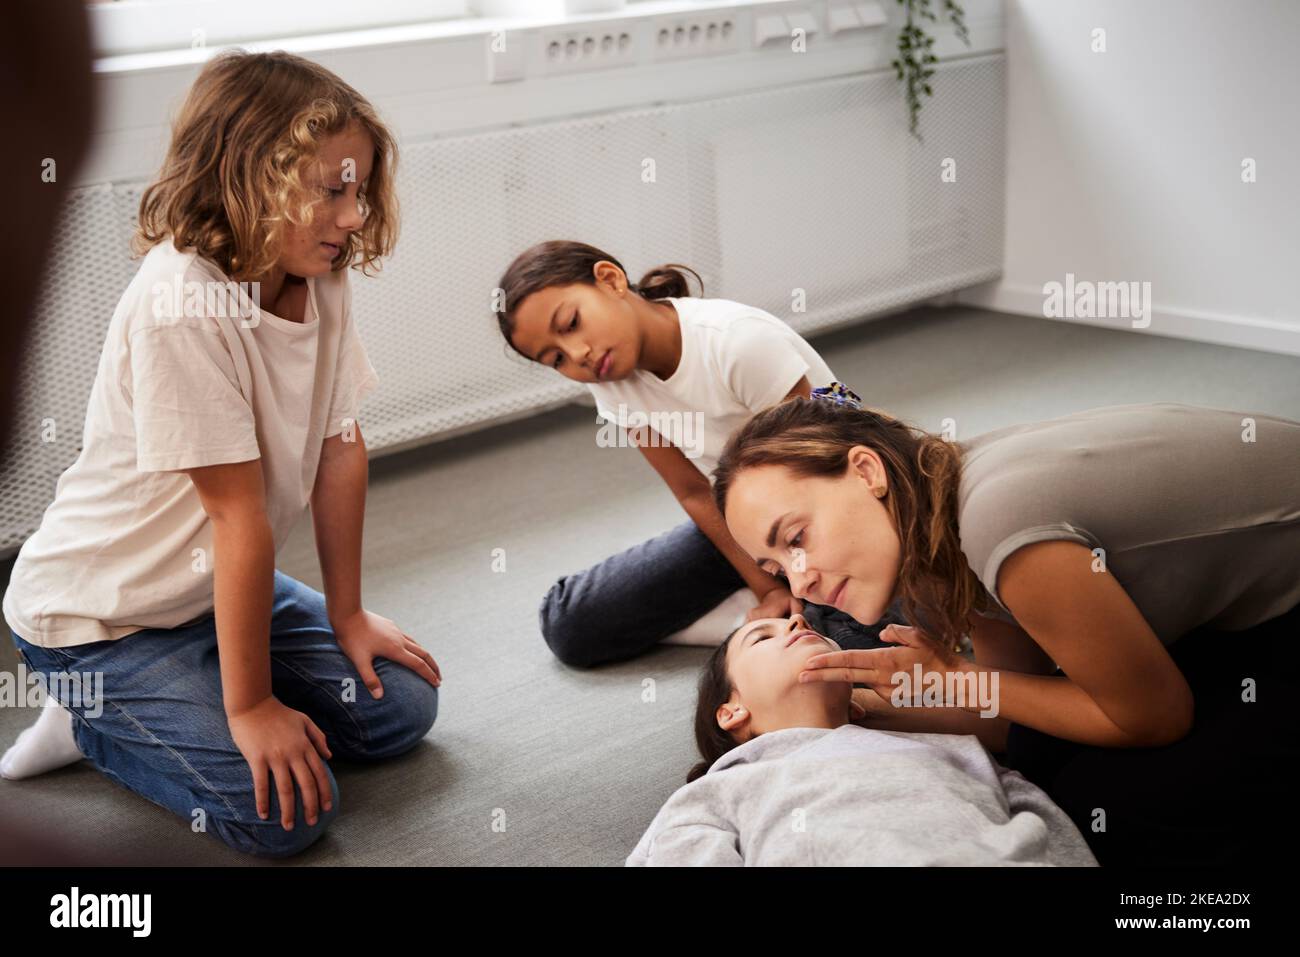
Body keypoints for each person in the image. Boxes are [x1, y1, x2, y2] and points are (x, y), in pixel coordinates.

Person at [1, 50, 440, 858]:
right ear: (248, 178)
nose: (353, 216)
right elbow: (236, 514)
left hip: (208, 586)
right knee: (284, 816)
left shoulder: (319, 271)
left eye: (360, 189)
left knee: (400, 708)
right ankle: (89, 719)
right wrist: (249, 710)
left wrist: (346, 615)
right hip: (103, 617)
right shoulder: (179, 304)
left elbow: (341, 444)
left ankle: (194, 684)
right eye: (332, 191)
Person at [495, 241, 905, 666]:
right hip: (744, 531)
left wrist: (792, 575)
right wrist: (769, 588)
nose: (578, 354)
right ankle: (762, 606)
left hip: (825, 517)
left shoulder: (736, 343)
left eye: (572, 323)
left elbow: (816, 481)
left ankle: (790, 616)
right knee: (569, 624)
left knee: (855, 659)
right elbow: (693, 491)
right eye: (556, 358)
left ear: (610, 280)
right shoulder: (610, 384)